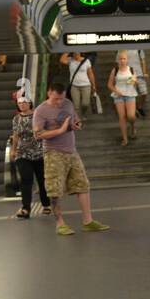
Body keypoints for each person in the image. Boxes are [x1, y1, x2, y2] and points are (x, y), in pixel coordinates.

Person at [33, 82, 108, 236]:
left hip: (71, 151)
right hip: (53, 153)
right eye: (56, 99)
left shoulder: (68, 103)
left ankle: (88, 221)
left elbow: (75, 118)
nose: (59, 102)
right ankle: (60, 223)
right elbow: (38, 135)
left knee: (83, 184)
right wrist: (60, 130)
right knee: (55, 189)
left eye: (61, 98)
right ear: (49, 92)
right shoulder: (41, 111)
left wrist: (76, 124)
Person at [10, 96, 49, 219]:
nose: (22, 105)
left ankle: (46, 204)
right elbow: (16, 135)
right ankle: (25, 208)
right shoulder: (16, 119)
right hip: (22, 153)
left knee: (42, 180)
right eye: (20, 103)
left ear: (30, 103)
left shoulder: (37, 115)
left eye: (24, 102)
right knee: (26, 180)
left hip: (39, 152)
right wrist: (13, 150)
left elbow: (44, 131)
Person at [108, 50, 140, 145]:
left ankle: (133, 126)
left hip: (130, 94)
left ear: (127, 60)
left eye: (124, 59)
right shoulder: (115, 70)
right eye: (121, 59)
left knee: (131, 116)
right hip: (119, 96)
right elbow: (109, 84)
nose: (122, 60)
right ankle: (125, 138)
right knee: (121, 117)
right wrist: (116, 91)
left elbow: (136, 82)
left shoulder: (131, 69)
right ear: (118, 60)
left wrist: (135, 81)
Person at [62, 52, 98, 119]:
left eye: (77, 53)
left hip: (86, 85)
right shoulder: (70, 60)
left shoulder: (86, 61)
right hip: (74, 85)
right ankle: (77, 119)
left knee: (85, 103)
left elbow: (90, 73)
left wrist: (93, 85)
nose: (75, 54)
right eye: (74, 53)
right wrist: (67, 51)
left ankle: (83, 113)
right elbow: (62, 60)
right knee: (76, 105)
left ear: (80, 53)